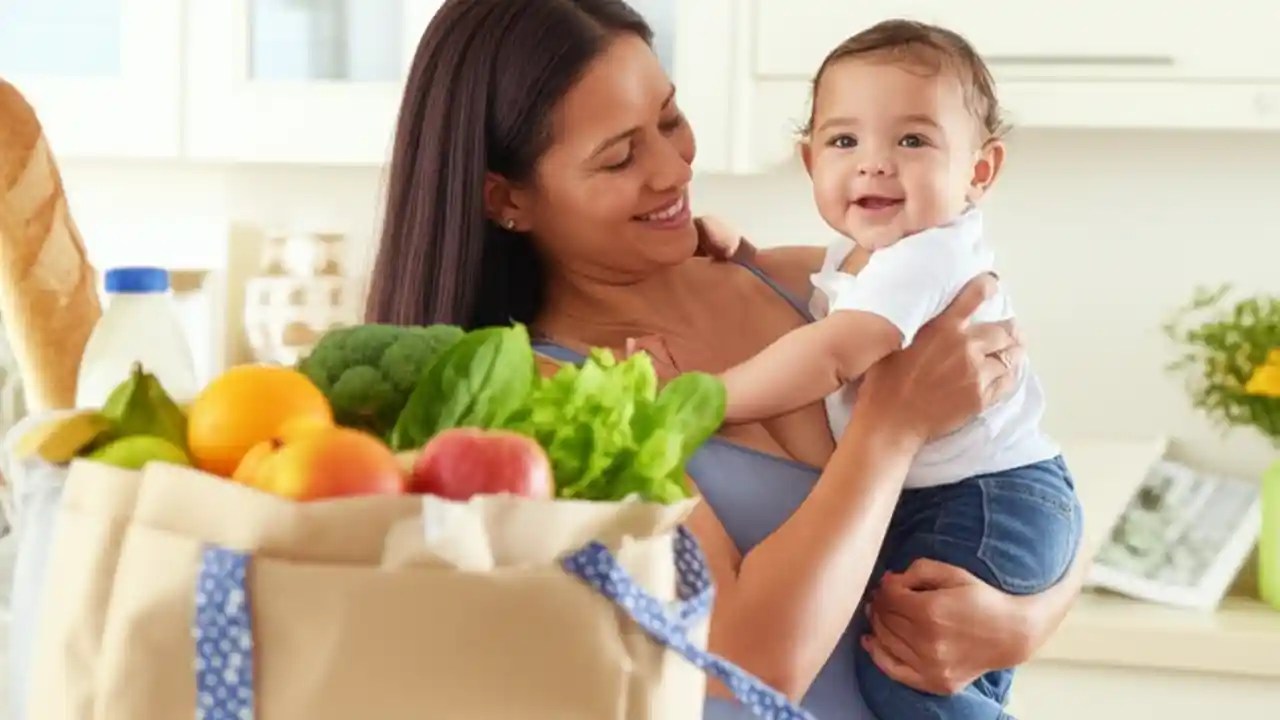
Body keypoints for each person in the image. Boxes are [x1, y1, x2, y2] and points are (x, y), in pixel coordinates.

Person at [366, 1, 1085, 718]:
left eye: (671, 119)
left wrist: (1028, 619)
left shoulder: (800, 281)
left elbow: (1018, 468)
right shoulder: (548, 396)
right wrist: (889, 429)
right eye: (620, 156)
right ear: (507, 197)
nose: (674, 168)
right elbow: (744, 663)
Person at [698, 20, 1083, 720]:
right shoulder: (873, 260)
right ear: (810, 161)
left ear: (980, 170)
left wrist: (705, 398)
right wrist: (744, 254)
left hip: (986, 499)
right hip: (1000, 494)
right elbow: (823, 279)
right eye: (845, 141)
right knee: (939, 676)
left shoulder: (923, 258)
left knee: (904, 675)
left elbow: (832, 351)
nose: (875, 163)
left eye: (911, 140)